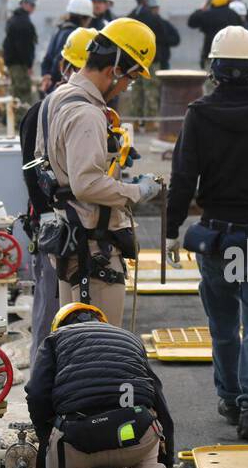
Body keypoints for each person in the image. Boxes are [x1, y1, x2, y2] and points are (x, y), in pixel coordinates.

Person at [165, 27, 248, 441]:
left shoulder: (200, 114)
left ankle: (229, 396)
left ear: (214, 68)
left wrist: (171, 231)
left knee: (223, 325)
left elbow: (183, 176)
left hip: (216, 236)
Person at [36, 17, 162, 326]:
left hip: (70, 243)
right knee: (102, 352)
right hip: (94, 253)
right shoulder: (87, 114)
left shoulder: (56, 100)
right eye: (129, 79)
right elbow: (86, 184)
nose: (125, 87)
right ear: (115, 69)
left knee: (73, 348)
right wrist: (138, 191)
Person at [26, 302, 175, 468]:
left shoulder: (54, 340)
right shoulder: (130, 338)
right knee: (147, 415)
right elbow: (159, 403)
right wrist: (167, 466)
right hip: (135, 437)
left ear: (58, 326)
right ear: (102, 322)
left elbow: (37, 395)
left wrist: (47, 438)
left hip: (78, 442)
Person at [23, 26, 99, 359]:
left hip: (59, 224)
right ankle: (45, 380)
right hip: (58, 225)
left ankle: (56, 379)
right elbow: (35, 172)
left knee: (56, 308)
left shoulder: (50, 109)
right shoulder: (52, 111)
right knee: (51, 310)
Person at [127, 0, 168, 122]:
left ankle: (136, 121)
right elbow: (163, 36)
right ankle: (151, 122)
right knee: (151, 91)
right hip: (151, 60)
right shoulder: (153, 17)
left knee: (136, 91)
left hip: (133, 60)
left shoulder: (130, 16)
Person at [40, 0, 93, 92]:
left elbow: (48, 57)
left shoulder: (59, 29)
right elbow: (59, 60)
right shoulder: (73, 35)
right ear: (84, 18)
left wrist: (46, 75)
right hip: (61, 85)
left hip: (52, 84)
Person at [188, 0, 244, 69]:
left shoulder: (206, 14)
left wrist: (202, 9)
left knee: (211, 81)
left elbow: (191, 22)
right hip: (231, 58)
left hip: (212, 56)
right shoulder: (233, 14)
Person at [2, 0, 39, 110]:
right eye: (32, 5)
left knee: (15, 90)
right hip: (19, 64)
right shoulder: (23, 23)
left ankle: (10, 119)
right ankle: (20, 122)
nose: (33, 8)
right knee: (22, 92)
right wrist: (28, 64)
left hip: (14, 63)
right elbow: (24, 47)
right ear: (25, 4)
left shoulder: (14, 19)